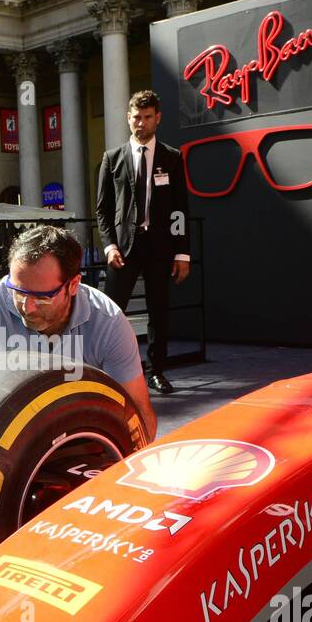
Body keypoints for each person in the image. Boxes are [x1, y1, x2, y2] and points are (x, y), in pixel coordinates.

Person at [0, 225, 156, 438]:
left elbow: (141, 417)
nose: (27, 307)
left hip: (83, 432)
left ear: (73, 285)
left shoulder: (108, 322)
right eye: (19, 291)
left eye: (42, 297)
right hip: (13, 434)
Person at [96, 89, 191, 395]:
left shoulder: (173, 159)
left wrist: (183, 254)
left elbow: (180, 209)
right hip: (123, 248)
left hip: (160, 248)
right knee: (111, 312)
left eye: (147, 117)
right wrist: (109, 246)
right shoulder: (112, 158)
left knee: (159, 312)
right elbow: (102, 209)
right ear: (128, 117)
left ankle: (157, 372)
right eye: (136, 117)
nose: (141, 123)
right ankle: (107, 371)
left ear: (157, 119)